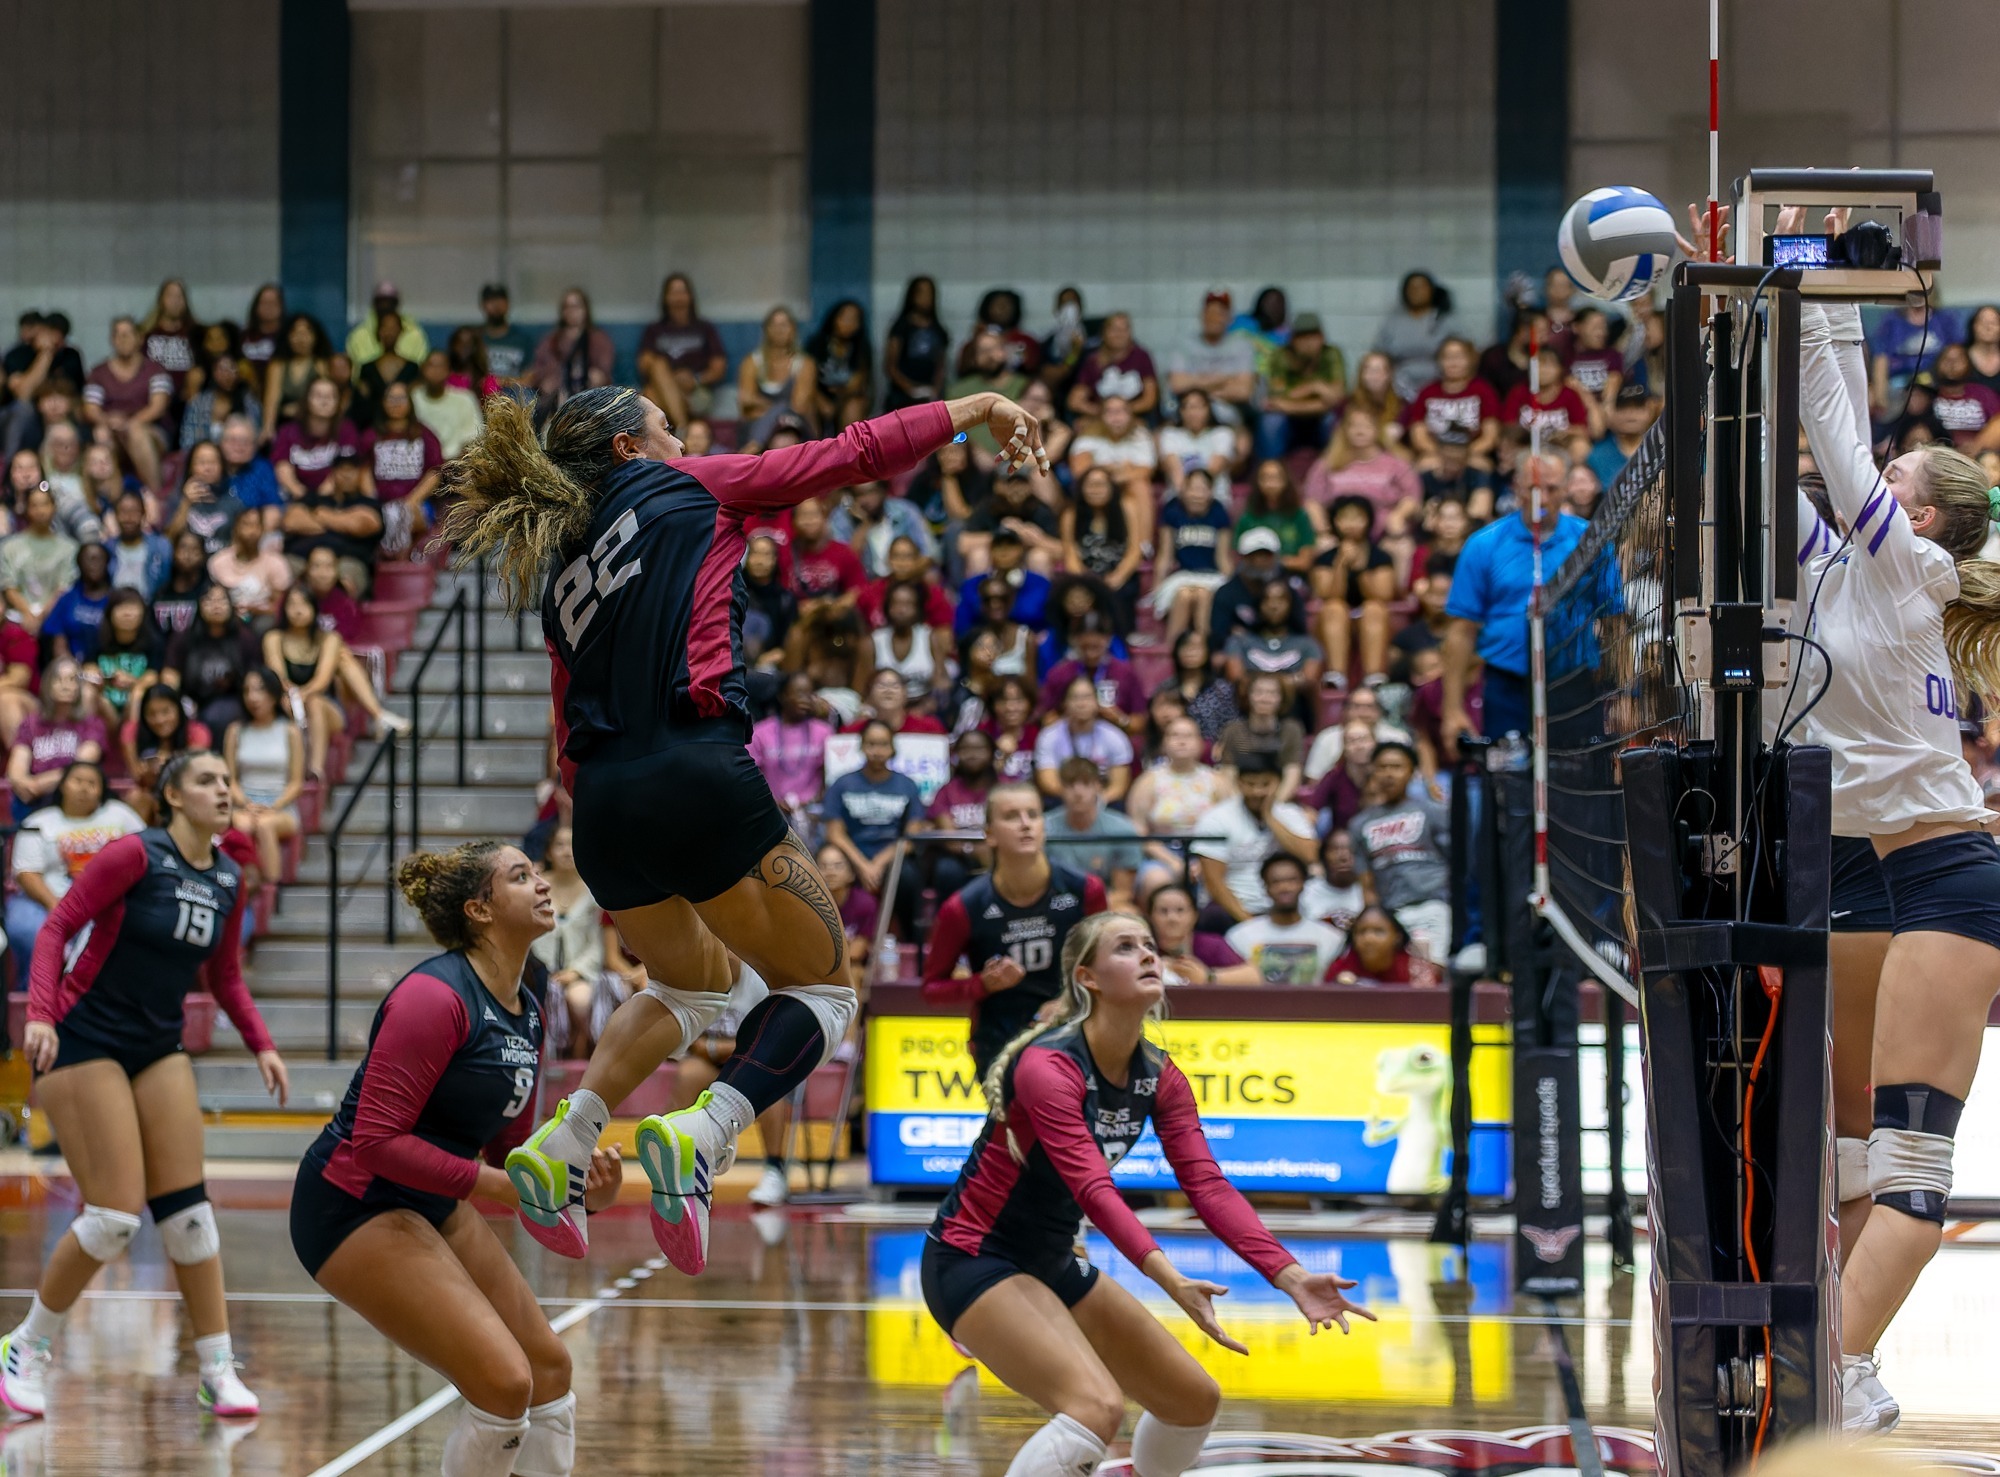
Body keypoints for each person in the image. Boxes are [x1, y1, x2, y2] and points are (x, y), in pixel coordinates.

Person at [444, 382, 1050, 1272]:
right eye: (667, 424)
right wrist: (975, 406)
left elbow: (563, 716)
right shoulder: (690, 483)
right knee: (826, 989)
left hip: (604, 803)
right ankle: (709, 1129)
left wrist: (611, 813)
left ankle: (564, 1143)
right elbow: (851, 452)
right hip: (696, 767)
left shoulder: (562, 561)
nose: (681, 433)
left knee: (693, 988)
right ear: (626, 449)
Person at [924, 912, 1373, 1477]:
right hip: (973, 1259)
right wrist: (1172, 1281)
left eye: (1150, 946)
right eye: (1125, 947)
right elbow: (1092, 1188)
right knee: (1095, 1408)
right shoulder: (1048, 1066)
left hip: (1049, 1263)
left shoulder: (1160, 1075)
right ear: (1087, 977)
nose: (1147, 955)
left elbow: (1207, 1185)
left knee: (1192, 1401)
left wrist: (1288, 1275)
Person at [290, 841, 619, 1477]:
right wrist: (500, 1187)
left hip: (433, 1196)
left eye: (536, 872)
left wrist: (580, 1191)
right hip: (353, 1202)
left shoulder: (530, 1000)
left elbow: (510, 1153)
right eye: (520, 877)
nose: (543, 884)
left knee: (548, 1371)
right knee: (502, 1382)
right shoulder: (433, 996)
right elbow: (376, 1142)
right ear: (480, 910)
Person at [1, 752, 287, 1422]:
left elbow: (226, 977)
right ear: (172, 797)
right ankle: (24, 1347)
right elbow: (56, 925)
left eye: (227, 779)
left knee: (190, 1213)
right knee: (114, 1215)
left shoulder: (227, 874)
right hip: (85, 1035)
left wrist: (262, 1043)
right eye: (208, 780)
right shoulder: (134, 853)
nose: (224, 789)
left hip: (158, 1044)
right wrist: (41, 1012)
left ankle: (217, 1369)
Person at [920, 783, 1107, 1075]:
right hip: (998, 1037)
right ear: (990, 834)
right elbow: (932, 989)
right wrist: (982, 983)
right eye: (1011, 816)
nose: (1025, 824)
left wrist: (1067, 1001)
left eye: (1033, 814)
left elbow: (1106, 967)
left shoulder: (1085, 890)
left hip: (1075, 1026)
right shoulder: (962, 907)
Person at [1442, 451, 1586, 749]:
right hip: (1507, 680)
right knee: (1509, 778)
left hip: (1576, 679)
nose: (1542, 499)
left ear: (1567, 487)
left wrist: (1625, 696)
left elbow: (1615, 622)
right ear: (1515, 487)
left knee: (1578, 779)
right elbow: (1460, 632)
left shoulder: (1589, 540)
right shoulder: (1484, 544)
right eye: (1532, 488)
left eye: (1552, 488)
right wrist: (1452, 709)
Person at [5, 760, 146, 973]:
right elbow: (27, 873)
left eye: (92, 783)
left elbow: (146, 856)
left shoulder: (121, 815)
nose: (84, 787)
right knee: (22, 924)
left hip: (112, 902)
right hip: (47, 900)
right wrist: (56, 906)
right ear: (62, 785)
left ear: (102, 790)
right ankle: (39, 992)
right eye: (77, 781)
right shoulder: (38, 822)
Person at [1348, 741, 1451, 963]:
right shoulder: (1360, 823)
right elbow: (1366, 881)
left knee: (1429, 974)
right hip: (1391, 913)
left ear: (1412, 772)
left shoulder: (1433, 812)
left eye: (1396, 767)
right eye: (1382, 767)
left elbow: (1455, 863)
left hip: (1431, 905)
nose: (1388, 774)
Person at [1189, 752, 1317, 929]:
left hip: (1287, 906)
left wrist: (1270, 817)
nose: (1257, 792)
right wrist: (1250, 925)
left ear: (1278, 783)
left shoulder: (1292, 815)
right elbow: (1214, 883)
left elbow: (1310, 855)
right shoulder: (1215, 819)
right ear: (1239, 783)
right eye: (1250, 784)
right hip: (1236, 908)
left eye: (1265, 784)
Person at [529, 825, 609, 1057]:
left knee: (581, 1001)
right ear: (548, 851)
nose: (566, 851)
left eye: (572, 845)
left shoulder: (595, 889)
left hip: (580, 970)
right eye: (560, 845)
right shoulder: (535, 886)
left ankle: (577, 1062)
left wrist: (575, 972)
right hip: (538, 969)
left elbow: (597, 943)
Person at [822, 719, 926, 896]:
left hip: (892, 854)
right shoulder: (842, 784)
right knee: (834, 869)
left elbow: (911, 837)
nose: (877, 751)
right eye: (871, 744)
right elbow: (834, 833)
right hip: (852, 852)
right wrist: (862, 865)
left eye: (883, 744)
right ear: (862, 746)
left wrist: (878, 862)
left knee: (909, 877)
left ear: (892, 748)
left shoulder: (907, 785)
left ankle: (910, 925)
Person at [224, 668, 304, 886]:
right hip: (245, 804)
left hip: (281, 806)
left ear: (273, 693)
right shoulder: (235, 731)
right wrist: (247, 804)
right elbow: (230, 780)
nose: (252, 697)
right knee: (242, 824)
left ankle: (270, 890)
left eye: (259, 690)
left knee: (266, 825)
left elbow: (296, 782)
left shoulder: (290, 731)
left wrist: (273, 805)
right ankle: (243, 887)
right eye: (247, 691)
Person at [1310, 492, 1397, 688]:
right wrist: (1341, 564)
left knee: (1374, 608)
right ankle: (1336, 675)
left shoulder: (1381, 557)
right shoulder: (1324, 559)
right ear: (1335, 521)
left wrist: (1360, 569)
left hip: (1370, 614)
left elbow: (1383, 595)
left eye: (1357, 517)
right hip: (1335, 615)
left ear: (1368, 520)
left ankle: (1374, 677)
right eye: (1344, 518)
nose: (1351, 523)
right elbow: (1328, 594)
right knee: (1334, 608)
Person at [7, 658, 107, 824]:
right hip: (34, 799)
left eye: (71, 680)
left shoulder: (92, 724)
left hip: (73, 796)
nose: (65, 685)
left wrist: (39, 784)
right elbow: (17, 766)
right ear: (48, 685)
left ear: (79, 688)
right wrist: (24, 783)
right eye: (58, 680)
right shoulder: (31, 723)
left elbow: (82, 767)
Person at [1226, 853, 1345, 985]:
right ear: (1265, 888)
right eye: (1276, 882)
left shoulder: (1331, 937)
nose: (1284, 887)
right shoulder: (1239, 936)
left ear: (1303, 883)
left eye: (1292, 880)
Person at [82, 318, 171, 491]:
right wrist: (108, 420)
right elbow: (90, 409)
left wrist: (129, 423)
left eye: (128, 334)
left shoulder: (155, 370)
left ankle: (156, 495)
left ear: (139, 338)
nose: (123, 339)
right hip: (112, 429)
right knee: (100, 433)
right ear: (112, 340)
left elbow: (158, 407)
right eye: (118, 335)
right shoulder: (98, 373)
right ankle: (109, 500)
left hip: (150, 430)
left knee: (136, 431)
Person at [1152, 467, 1235, 647]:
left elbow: (1223, 557)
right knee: (1184, 595)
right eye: (1192, 488)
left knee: (1203, 595)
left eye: (1202, 489)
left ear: (1211, 492)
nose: (1197, 494)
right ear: (1183, 490)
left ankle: (1205, 649)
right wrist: (1156, 586)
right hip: (1183, 575)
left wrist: (1234, 587)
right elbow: (1165, 554)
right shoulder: (1172, 511)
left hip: (1212, 576)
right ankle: (1171, 648)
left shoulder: (1219, 512)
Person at [1044, 757, 1143, 905]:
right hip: (1054, 905)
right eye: (1070, 785)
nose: (1078, 792)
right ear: (1061, 788)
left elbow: (1123, 893)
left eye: (1086, 784)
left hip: (1105, 904)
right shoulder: (1042, 828)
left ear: (1098, 786)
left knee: (1128, 912)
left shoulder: (1123, 830)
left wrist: (1087, 907)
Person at [637, 274, 729, 428]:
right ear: (665, 298)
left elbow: (719, 368)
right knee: (658, 364)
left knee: (650, 396)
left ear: (690, 296)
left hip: (696, 391)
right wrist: (670, 380)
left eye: (682, 292)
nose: (678, 297)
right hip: (664, 385)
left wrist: (695, 379)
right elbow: (645, 364)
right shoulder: (655, 330)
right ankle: (683, 427)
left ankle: (677, 427)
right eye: (673, 292)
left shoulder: (704, 328)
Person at [1255, 312, 1346, 460]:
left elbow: (1338, 397)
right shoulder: (1281, 356)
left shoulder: (1331, 354)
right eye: (1302, 337)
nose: (1308, 343)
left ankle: (1335, 470)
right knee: (1271, 421)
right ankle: (1271, 470)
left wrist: (1311, 389)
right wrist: (1318, 391)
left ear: (1322, 338)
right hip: (1289, 420)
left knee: (1334, 419)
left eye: (1313, 336)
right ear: (1292, 340)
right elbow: (1277, 400)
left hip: (1320, 419)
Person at [1034, 673, 1134, 804]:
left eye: (1087, 697)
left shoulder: (1114, 736)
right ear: (1065, 704)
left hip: (1103, 800)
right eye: (1075, 698)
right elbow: (1048, 782)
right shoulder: (1049, 736)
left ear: (1097, 703)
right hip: (1063, 799)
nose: (1081, 704)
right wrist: (1077, 797)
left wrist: (1096, 801)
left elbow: (1118, 786)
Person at [1403, 338, 1500, 472]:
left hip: (1471, 454)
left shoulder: (1483, 390)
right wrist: (1444, 455)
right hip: (1435, 455)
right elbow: (1418, 435)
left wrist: (1461, 455)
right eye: (1447, 357)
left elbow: (1490, 436)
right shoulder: (1427, 392)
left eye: (1459, 357)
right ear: (1439, 361)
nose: (1453, 362)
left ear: (1469, 360)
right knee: (1423, 465)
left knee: (1482, 466)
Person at [121, 684, 212, 824]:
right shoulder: (132, 732)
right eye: (152, 714)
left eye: (166, 712)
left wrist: (166, 766)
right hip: (148, 793)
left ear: (178, 710)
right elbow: (137, 775)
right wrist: (149, 773)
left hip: (185, 792)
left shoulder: (197, 732)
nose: (159, 720)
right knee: (138, 798)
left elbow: (194, 771)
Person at [1167, 289, 1258, 426]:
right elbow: (1177, 385)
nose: (1214, 318)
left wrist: (1197, 384)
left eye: (1220, 313)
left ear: (1229, 317)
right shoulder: (1184, 344)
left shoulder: (1242, 345)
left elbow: (1243, 391)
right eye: (1210, 313)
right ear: (1202, 315)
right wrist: (1223, 379)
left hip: (1229, 411)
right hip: (1187, 408)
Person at [0, 484, 79, 633]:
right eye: (34, 505)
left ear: (54, 507)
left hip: (56, 619)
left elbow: (63, 588)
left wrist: (41, 617)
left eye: (45, 504)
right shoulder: (10, 547)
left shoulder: (69, 548)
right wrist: (28, 614)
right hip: (17, 620)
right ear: (27, 509)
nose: (40, 511)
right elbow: (8, 585)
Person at [737, 307, 818, 450]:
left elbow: (798, 406)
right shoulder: (752, 361)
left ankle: (753, 448)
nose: (779, 330)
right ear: (766, 329)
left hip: (794, 424)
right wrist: (776, 410)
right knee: (780, 410)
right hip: (756, 423)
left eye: (784, 325)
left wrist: (764, 408)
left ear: (793, 329)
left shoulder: (805, 363)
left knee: (785, 426)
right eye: (774, 325)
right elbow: (746, 401)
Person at [1148, 882, 1259, 986]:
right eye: (1163, 911)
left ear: (1194, 915)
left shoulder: (1212, 945)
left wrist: (1208, 977)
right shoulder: (1143, 947)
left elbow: (1255, 976)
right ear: (1150, 916)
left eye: (1180, 910)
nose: (1172, 918)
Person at [1376, 271, 1461, 402]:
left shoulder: (1445, 320)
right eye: (1412, 287)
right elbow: (1380, 353)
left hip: (1441, 383)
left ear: (1432, 290)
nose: (1417, 291)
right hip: (1399, 386)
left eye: (1422, 287)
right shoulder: (1393, 322)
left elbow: (1464, 352)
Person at [529, 288, 614, 418]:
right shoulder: (550, 340)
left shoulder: (598, 339)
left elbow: (604, 370)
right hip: (556, 396)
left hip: (589, 393)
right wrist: (552, 379)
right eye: (567, 307)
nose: (572, 311)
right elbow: (539, 369)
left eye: (576, 306)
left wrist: (594, 375)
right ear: (562, 312)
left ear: (585, 310)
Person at [87, 588, 163, 727]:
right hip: (104, 698)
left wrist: (133, 682)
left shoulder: (153, 641)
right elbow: (88, 668)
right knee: (88, 693)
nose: (127, 613)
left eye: (133, 608)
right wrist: (106, 679)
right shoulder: (97, 637)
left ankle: (131, 739)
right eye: (121, 607)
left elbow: (153, 676)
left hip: (136, 699)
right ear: (110, 612)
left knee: (138, 695)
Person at [1066, 312, 1159, 420]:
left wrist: (1121, 413)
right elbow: (1075, 401)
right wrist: (1105, 413)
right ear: (1103, 333)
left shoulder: (1142, 357)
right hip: (1100, 420)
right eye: (1114, 329)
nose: (1119, 334)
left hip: (1135, 419)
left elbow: (1149, 399)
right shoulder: (1092, 361)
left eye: (1124, 329)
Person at [207, 505, 291, 622]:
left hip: (261, 618)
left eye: (257, 525)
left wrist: (257, 610)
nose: (252, 531)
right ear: (236, 528)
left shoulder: (276, 562)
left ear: (263, 529)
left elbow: (280, 606)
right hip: (226, 619)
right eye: (246, 524)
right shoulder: (218, 562)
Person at [884, 276, 950, 411]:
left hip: (930, 394)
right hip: (902, 394)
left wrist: (935, 390)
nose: (925, 297)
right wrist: (910, 389)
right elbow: (890, 365)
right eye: (921, 292)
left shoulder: (938, 330)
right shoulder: (901, 327)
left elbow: (941, 365)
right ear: (912, 295)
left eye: (929, 293)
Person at [260, 313, 333, 435]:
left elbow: (328, 398)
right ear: (288, 337)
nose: (301, 339)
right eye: (296, 333)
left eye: (306, 333)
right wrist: (268, 428)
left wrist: (301, 409)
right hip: (284, 425)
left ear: (315, 337)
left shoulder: (321, 365)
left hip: (315, 424)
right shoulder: (278, 365)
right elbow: (271, 401)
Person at [43, 541, 114, 664]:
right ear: (79, 564)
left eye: (98, 559)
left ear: (107, 563)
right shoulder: (67, 599)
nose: (94, 564)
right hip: (72, 666)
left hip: (108, 666)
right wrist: (74, 672)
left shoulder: (115, 599)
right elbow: (58, 641)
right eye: (88, 559)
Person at [1325, 904, 1430, 986]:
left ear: (1397, 938)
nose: (1369, 939)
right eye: (1361, 932)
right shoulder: (1339, 971)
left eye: (1379, 932)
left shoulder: (1416, 971)